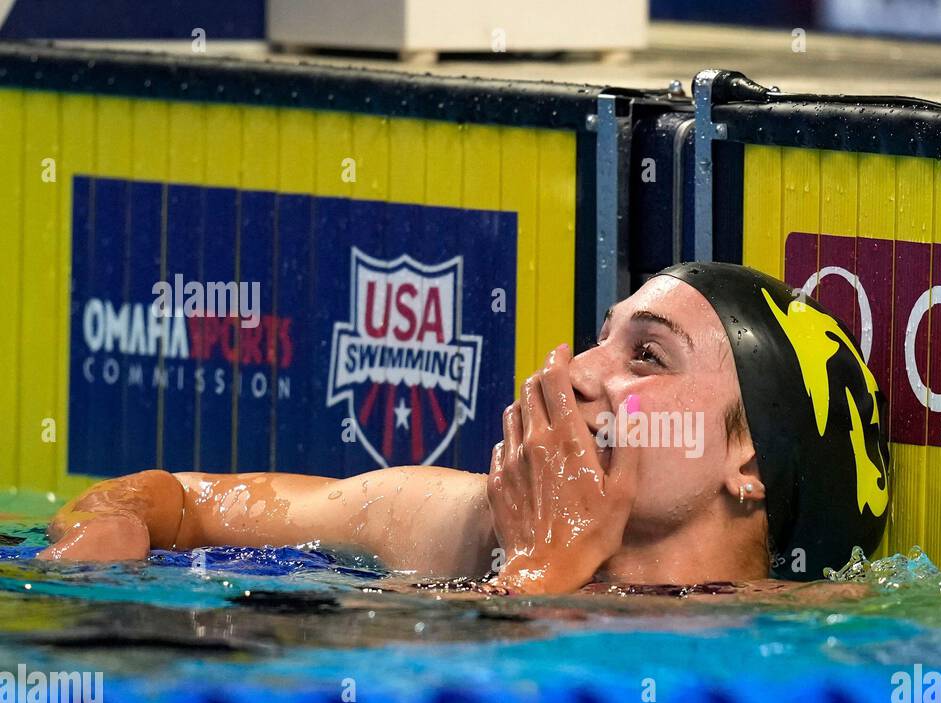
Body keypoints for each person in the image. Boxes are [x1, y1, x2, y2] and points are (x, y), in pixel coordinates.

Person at [37, 263, 890, 594]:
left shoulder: (788, 643)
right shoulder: (461, 521)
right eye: (600, 340)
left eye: (648, 360)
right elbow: (185, 500)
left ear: (750, 466)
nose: (579, 373)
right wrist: (110, 525)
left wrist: (543, 569)